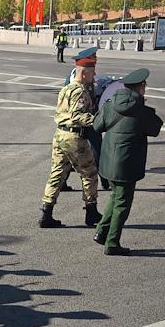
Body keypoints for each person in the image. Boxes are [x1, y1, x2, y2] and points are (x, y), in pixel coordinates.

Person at [92, 69, 163, 255]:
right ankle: (112, 243)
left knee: (115, 196)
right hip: (127, 164)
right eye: (144, 86)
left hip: (108, 161)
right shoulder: (140, 109)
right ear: (140, 87)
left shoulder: (110, 103)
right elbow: (156, 128)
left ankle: (101, 230)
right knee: (123, 203)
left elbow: (97, 126)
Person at [40, 58, 101, 228]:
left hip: (60, 134)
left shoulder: (66, 88)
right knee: (89, 173)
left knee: (57, 174)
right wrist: (97, 119)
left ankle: (46, 212)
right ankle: (91, 212)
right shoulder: (79, 92)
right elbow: (76, 116)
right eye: (92, 71)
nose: (94, 75)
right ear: (83, 73)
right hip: (74, 138)